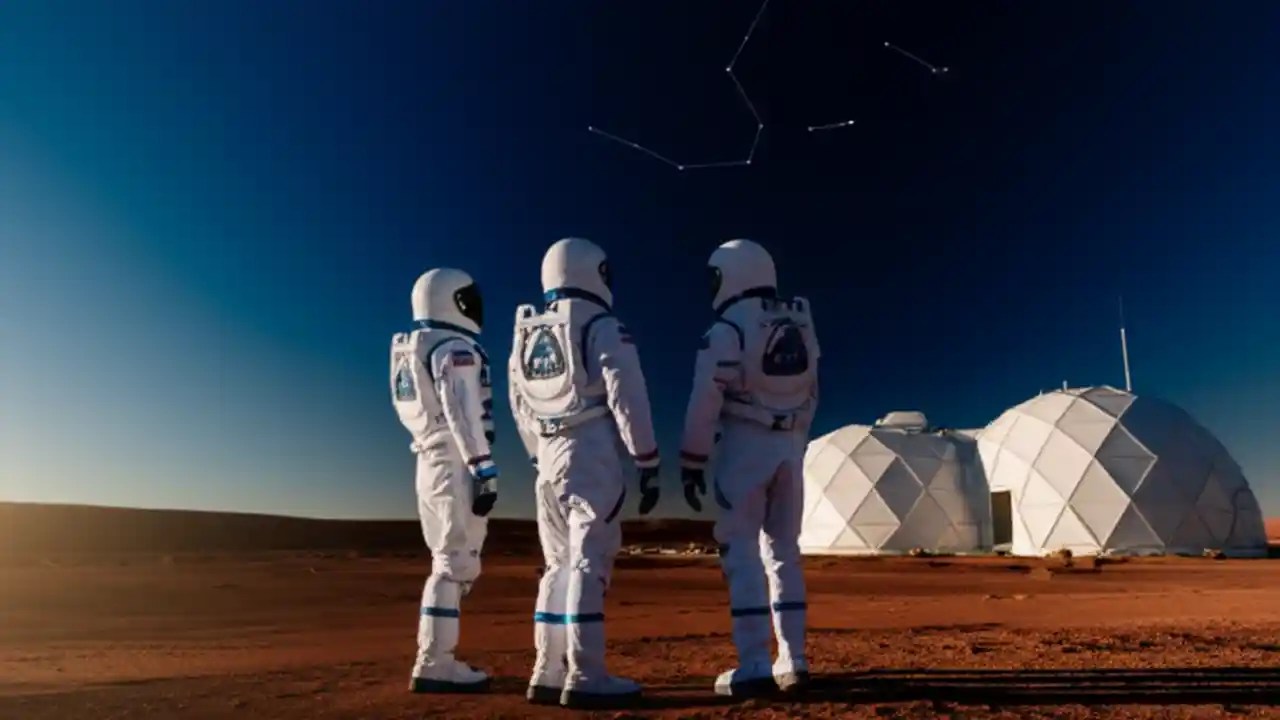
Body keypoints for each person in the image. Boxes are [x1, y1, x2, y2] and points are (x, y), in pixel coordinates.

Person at [508, 237, 662, 709]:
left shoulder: (528, 330)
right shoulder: (602, 325)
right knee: (587, 563)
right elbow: (627, 393)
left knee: (556, 565)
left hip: (547, 456)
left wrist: (538, 453)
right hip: (588, 449)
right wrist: (647, 458)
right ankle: (586, 673)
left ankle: (546, 671)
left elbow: (519, 403)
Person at [678, 239, 821, 697]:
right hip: (789, 447)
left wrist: (692, 459)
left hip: (744, 448)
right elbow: (813, 389)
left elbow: (705, 400)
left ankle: (755, 663)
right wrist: (795, 438)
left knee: (741, 553)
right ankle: (794, 660)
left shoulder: (727, 330)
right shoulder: (800, 321)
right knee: (784, 552)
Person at [389, 267, 499, 693]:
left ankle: (436, 658)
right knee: (456, 564)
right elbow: (462, 411)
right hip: (455, 462)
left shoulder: (409, 349)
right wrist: (482, 466)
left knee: (447, 561)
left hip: (428, 461)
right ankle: (436, 662)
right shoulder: (455, 348)